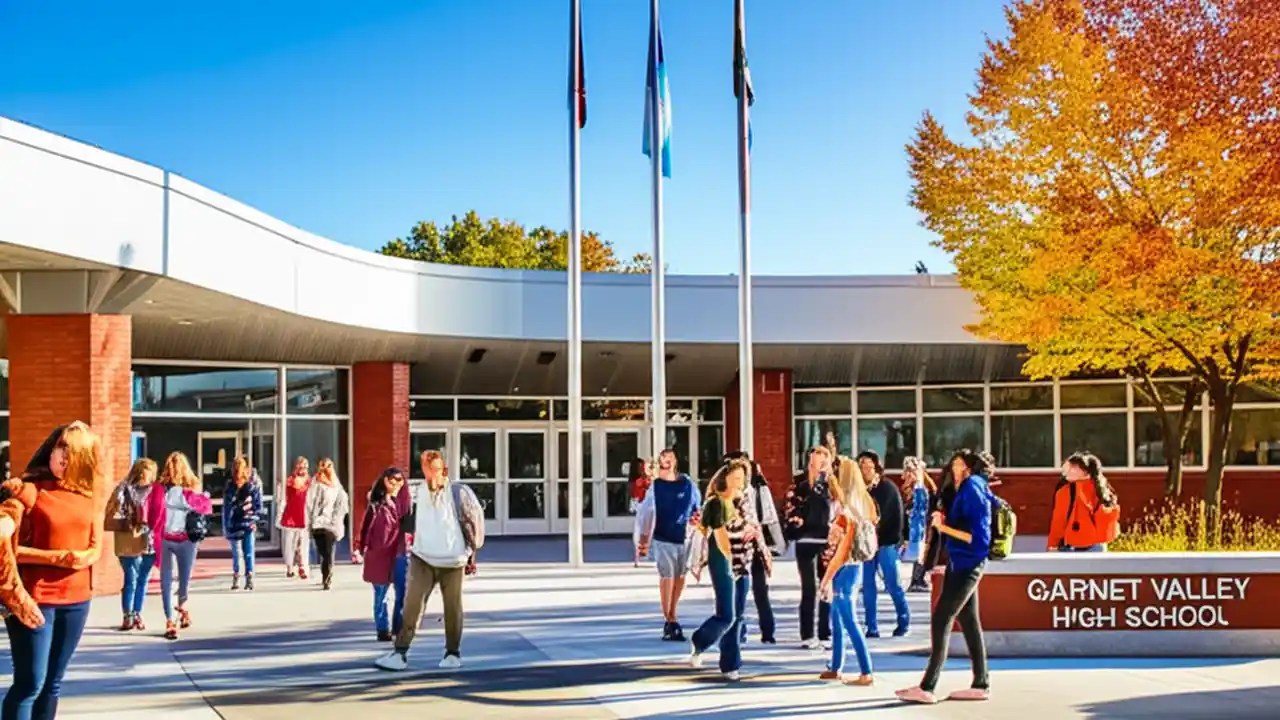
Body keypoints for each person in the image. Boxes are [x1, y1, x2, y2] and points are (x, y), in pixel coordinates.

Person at [2, 422, 103, 719]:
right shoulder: (30, 490)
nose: (63, 456)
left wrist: (79, 558)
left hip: (77, 601)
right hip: (35, 600)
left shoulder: (88, 496)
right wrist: (59, 558)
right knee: (29, 684)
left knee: (52, 684)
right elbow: (7, 536)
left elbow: (93, 550)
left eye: (72, 451)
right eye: (60, 447)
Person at [897, 449, 994, 705]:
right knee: (970, 622)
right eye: (953, 464)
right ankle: (980, 683)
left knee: (942, 618)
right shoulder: (969, 488)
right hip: (960, 562)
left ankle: (928, 686)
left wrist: (943, 526)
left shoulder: (973, 488)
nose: (955, 469)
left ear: (971, 468)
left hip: (968, 563)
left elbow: (977, 538)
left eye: (961, 465)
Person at [375, 450, 485, 671]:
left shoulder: (458, 493)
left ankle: (452, 653)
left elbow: (475, 522)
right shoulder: (416, 492)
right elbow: (403, 519)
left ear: (443, 469)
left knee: (452, 608)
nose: (431, 473)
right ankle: (400, 652)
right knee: (412, 605)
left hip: (453, 560)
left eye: (435, 469)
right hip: (422, 558)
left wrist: (472, 552)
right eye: (427, 468)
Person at [687, 458, 758, 682]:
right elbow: (721, 540)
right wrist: (732, 566)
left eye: (742, 478)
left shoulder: (743, 503)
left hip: (742, 562)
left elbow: (754, 528)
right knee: (726, 615)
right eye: (735, 477)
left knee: (738, 616)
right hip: (723, 561)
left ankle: (730, 665)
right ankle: (699, 641)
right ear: (724, 478)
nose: (739, 482)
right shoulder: (716, 503)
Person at [818, 456, 878, 686]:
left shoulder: (846, 515)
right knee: (838, 617)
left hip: (845, 569)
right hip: (857, 567)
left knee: (849, 620)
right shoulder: (863, 504)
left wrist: (826, 579)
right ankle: (836, 666)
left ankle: (866, 671)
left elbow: (841, 554)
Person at [633, 449, 701, 641]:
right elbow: (645, 514)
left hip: (684, 536)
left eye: (669, 460)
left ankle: (673, 612)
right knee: (667, 576)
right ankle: (670, 619)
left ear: (675, 461)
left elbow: (697, 507)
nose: (666, 464)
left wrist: (697, 518)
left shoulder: (687, 484)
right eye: (662, 461)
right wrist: (644, 541)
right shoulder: (656, 487)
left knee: (680, 576)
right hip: (663, 537)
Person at [148, 451, 213, 641]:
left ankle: (175, 615)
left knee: (171, 581)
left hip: (173, 538)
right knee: (179, 580)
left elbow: (152, 514)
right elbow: (205, 508)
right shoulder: (188, 487)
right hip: (181, 539)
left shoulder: (163, 488)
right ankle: (176, 614)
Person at [723, 450, 782, 645]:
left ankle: (767, 630)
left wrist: (773, 543)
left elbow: (769, 515)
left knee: (759, 590)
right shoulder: (726, 492)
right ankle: (740, 630)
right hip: (737, 548)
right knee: (738, 592)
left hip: (755, 546)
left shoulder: (756, 487)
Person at [784, 445, 835, 649]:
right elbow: (790, 508)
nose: (816, 466)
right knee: (809, 588)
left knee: (827, 587)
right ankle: (807, 634)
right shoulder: (800, 485)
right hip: (805, 540)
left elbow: (839, 506)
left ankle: (825, 632)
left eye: (821, 462)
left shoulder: (832, 485)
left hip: (826, 541)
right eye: (813, 461)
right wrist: (795, 519)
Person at [858, 450, 910, 638]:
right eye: (862, 466)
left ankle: (903, 620)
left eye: (869, 467)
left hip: (886, 542)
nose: (865, 471)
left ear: (876, 467)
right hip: (865, 544)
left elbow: (896, 515)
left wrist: (901, 538)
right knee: (868, 585)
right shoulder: (859, 490)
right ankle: (871, 626)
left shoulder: (887, 488)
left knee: (892, 583)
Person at [105, 458, 159, 630]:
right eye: (146, 471)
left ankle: (136, 613)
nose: (148, 476)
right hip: (128, 539)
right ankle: (128, 614)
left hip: (149, 541)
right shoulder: (124, 489)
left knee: (142, 579)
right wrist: (130, 520)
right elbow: (113, 512)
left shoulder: (155, 491)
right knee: (132, 578)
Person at [359, 467, 410, 642]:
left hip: (400, 553)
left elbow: (410, 527)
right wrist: (361, 548)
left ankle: (398, 627)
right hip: (380, 555)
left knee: (402, 593)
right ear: (384, 481)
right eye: (391, 480)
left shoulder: (405, 502)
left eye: (399, 480)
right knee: (381, 595)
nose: (396, 483)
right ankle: (382, 629)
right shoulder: (376, 504)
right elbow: (366, 529)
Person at [1048, 452, 1121, 552]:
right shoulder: (1102, 489)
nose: (1066, 472)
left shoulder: (1066, 492)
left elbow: (1059, 522)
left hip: (1076, 546)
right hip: (1093, 545)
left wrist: (1052, 545)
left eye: (1072, 468)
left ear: (1085, 471)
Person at [306, 458, 349, 591]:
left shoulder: (336, 484)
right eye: (323, 466)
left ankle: (327, 578)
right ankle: (326, 573)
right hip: (319, 524)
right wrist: (310, 520)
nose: (326, 469)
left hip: (332, 523)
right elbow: (309, 502)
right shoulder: (316, 483)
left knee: (329, 552)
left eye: (329, 466)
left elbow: (343, 502)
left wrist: (339, 518)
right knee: (323, 553)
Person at [222, 456, 263, 591]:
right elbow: (227, 509)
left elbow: (258, 507)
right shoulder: (230, 487)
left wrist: (255, 519)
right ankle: (241, 576)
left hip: (245, 523)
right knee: (242, 552)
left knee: (244, 552)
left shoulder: (251, 487)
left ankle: (245, 577)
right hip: (237, 524)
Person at [901, 457, 935, 593]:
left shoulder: (920, 489)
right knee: (917, 552)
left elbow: (921, 510)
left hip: (919, 526)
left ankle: (918, 578)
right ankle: (917, 579)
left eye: (911, 471)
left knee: (920, 551)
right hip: (913, 526)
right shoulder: (912, 489)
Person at [278, 457, 312, 579]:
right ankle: (290, 567)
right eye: (300, 466)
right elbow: (283, 498)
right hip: (291, 516)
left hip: (304, 517)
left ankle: (302, 566)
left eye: (305, 466)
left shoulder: (310, 482)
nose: (303, 469)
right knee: (289, 543)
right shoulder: (290, 481)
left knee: (303, 543)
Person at [629, 458, 654, 567]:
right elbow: (638, 494)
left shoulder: (647, 479)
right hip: (642, 507)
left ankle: (644, 551)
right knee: (641, 530)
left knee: (647, 530)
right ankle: (640, 553)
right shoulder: (638, 481)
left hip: (649, 507)